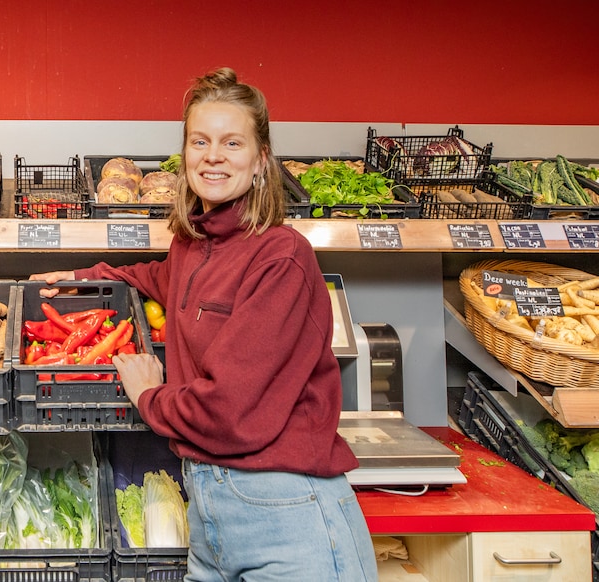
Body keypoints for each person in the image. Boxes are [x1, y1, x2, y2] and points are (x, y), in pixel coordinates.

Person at [32, 68, 377, 581]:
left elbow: (229, 411)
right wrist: (85, 278)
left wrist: (150, 396)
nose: (213, 156)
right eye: (200, 141)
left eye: (232, 142)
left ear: (261, 160)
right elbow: (162, 277)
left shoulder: (281, 258)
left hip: (289, 515)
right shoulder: (194, 245)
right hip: (209, 514)